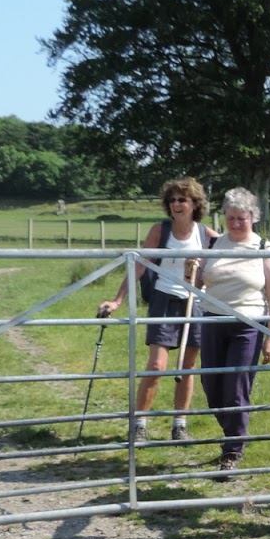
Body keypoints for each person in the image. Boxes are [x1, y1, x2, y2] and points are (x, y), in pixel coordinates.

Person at [98, 177, 218, 443]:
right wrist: (117, 300)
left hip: (194, 303)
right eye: (172, 200)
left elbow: (228, 254)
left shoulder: (205, 234)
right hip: (164, 301)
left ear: (194, 204)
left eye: (182, 199)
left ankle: (179, 425)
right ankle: (139, 425)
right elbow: (139, 266)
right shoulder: (160, 231)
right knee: (156, 365)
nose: (176, 204)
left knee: (187, 367)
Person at [198, 188, 270, 481]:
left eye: (242, 218)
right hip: (212, 320)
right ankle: (233, 430)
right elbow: (196, 282)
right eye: (231, 218)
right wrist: (190, 269)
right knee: (211, 387)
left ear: (253, 218)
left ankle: (233, 449)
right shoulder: (213, 244)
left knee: (235, 387)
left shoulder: (262, 248)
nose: (236, 224)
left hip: (248, 323)